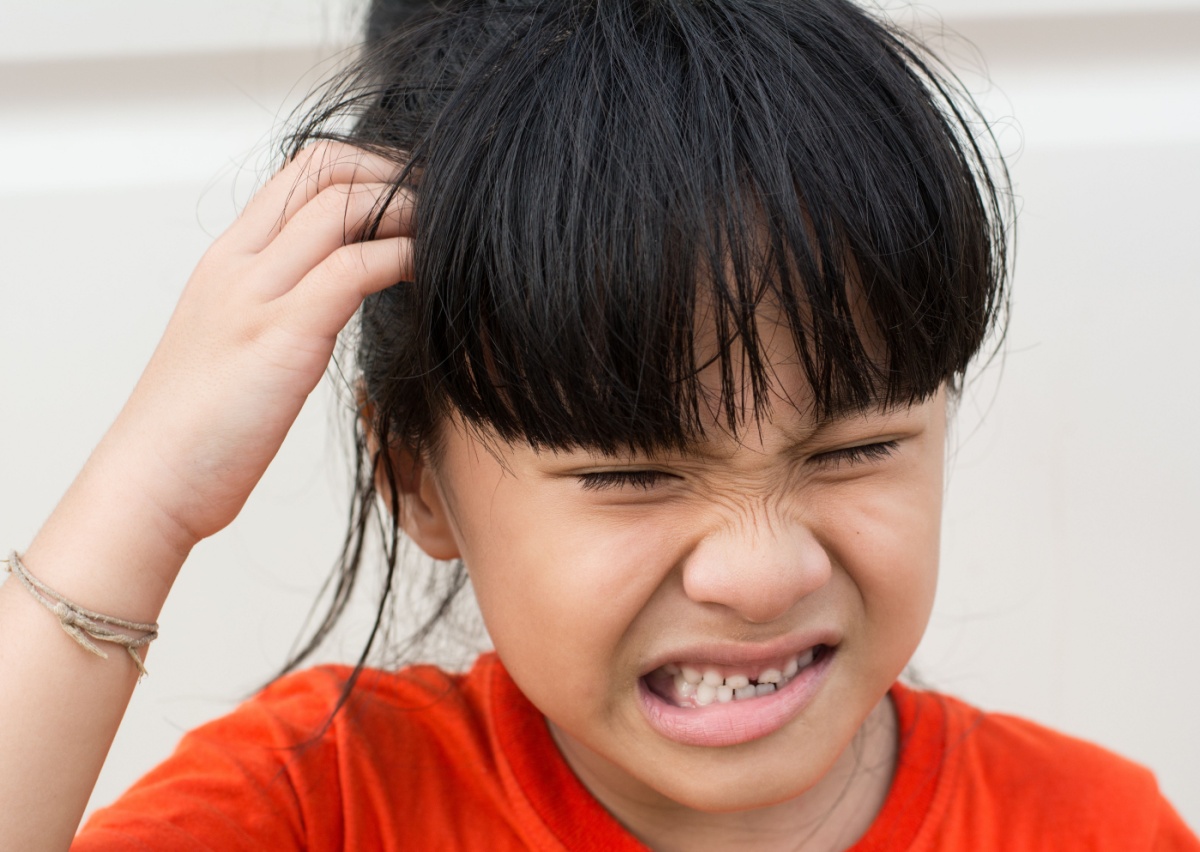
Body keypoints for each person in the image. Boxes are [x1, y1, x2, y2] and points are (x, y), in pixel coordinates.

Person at [0, 0, 1195, 849]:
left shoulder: (1095, 828)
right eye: (632, 474)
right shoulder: (323, 810)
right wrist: (144, 500)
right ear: (417, 481)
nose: (761, 575)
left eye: (855, 450)